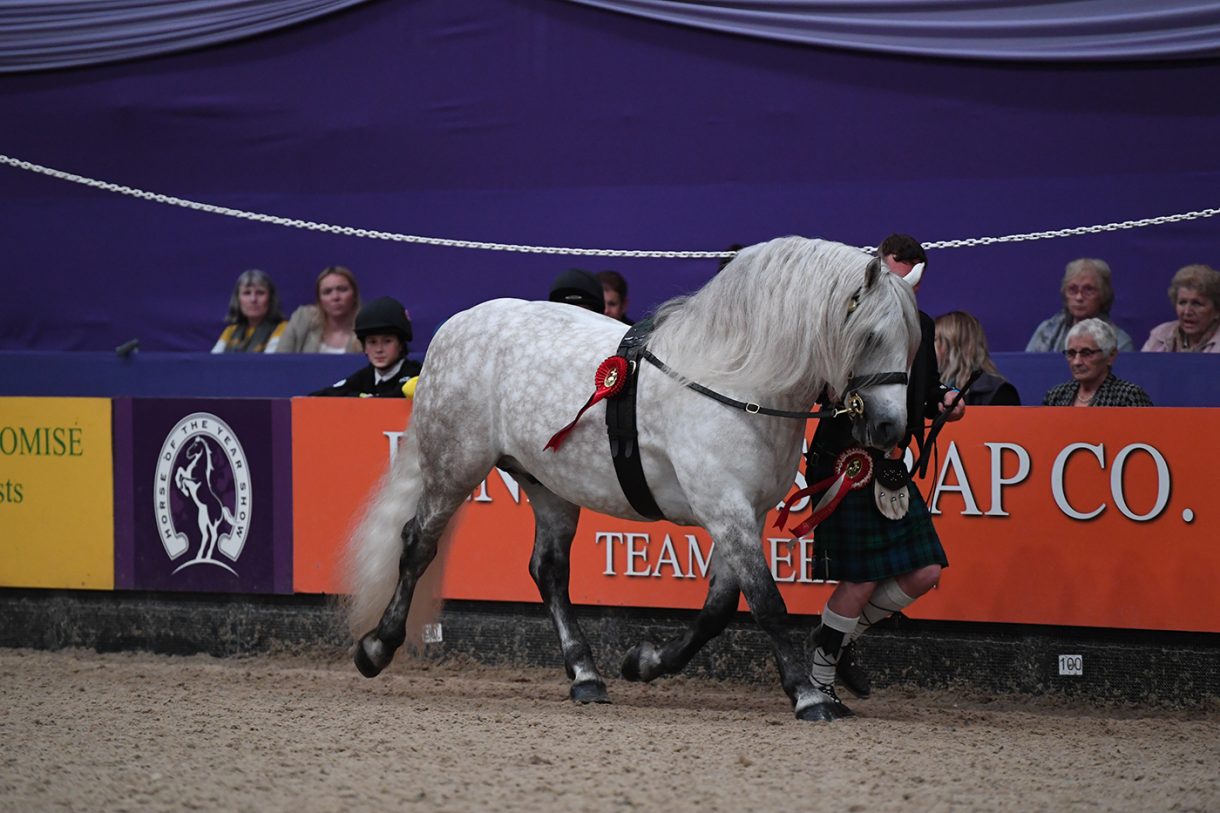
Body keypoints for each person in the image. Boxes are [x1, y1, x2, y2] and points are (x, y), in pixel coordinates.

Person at [804, 233, 964, 719]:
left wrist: (945, 400)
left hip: (891, 466)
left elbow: (926, 386)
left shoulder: (920, 324)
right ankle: (819, 682)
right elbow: (815, 389)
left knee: (926, 571)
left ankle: (831, 638)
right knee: (862, 578)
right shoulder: (842, 322)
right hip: (845, 462)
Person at [311, 296, 422, 397]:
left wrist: (369, 401)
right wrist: (358, 397)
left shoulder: (415, 373)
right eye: (372, 342)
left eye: (387, 341)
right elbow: (322, 395)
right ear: (364, 347)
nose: (379, 349)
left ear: (401, 344)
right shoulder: (365, 376)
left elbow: (396, 395)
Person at [1026, 258, 1134, 353]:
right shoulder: (1046, 331)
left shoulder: (1119, 342)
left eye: (1088, 289)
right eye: (1072, 289)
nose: (1079, 297)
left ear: (1103, 295)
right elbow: (1027, 370)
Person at [1043, 318, 1153, 407]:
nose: (1077, 362)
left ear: (1110, 355)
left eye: (1086, 353)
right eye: (1071, 353)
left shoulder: (1128, 396)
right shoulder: (1056, 396)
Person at [934, 311, 1021, 405]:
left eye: (934, 340)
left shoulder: (1001, 392)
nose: (925, 347)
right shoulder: (925, 388)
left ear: (954, 347)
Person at [277, 265, 363, 354]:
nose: (335, 297)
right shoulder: (303, 319)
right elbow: (279, 361)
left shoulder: (367, 325)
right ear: (319, 300)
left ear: (355, 295)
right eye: (327, 292)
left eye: (342, 290)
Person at [1141, 264, 1220, 353]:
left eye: (1197, 304)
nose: (1187, 311)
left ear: (1217, 311)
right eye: (1182, 303)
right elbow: (1140, 366)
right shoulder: (1160, 335)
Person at [211, 269, 287, 353]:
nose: (253, 299)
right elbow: (211, 362)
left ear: (271, 299)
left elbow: (268, 363)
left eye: (260, 293)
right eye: (247, 293)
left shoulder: (284, 328)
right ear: (237, 299)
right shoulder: (230, 331)